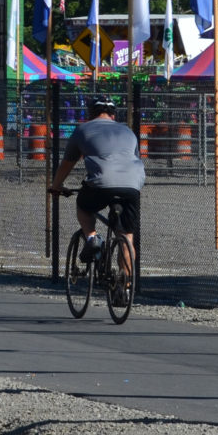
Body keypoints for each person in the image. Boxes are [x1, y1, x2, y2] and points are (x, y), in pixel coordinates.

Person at [48, 99, 143, 301]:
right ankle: (124, 287)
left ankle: (92, 238)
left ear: (91, 114)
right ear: (113, 115)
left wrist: (56, 186)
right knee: (127, 236)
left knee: (83, 205)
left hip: (102, 183)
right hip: (132, 184)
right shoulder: (127, 132)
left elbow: (67, 164)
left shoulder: (83, 130)